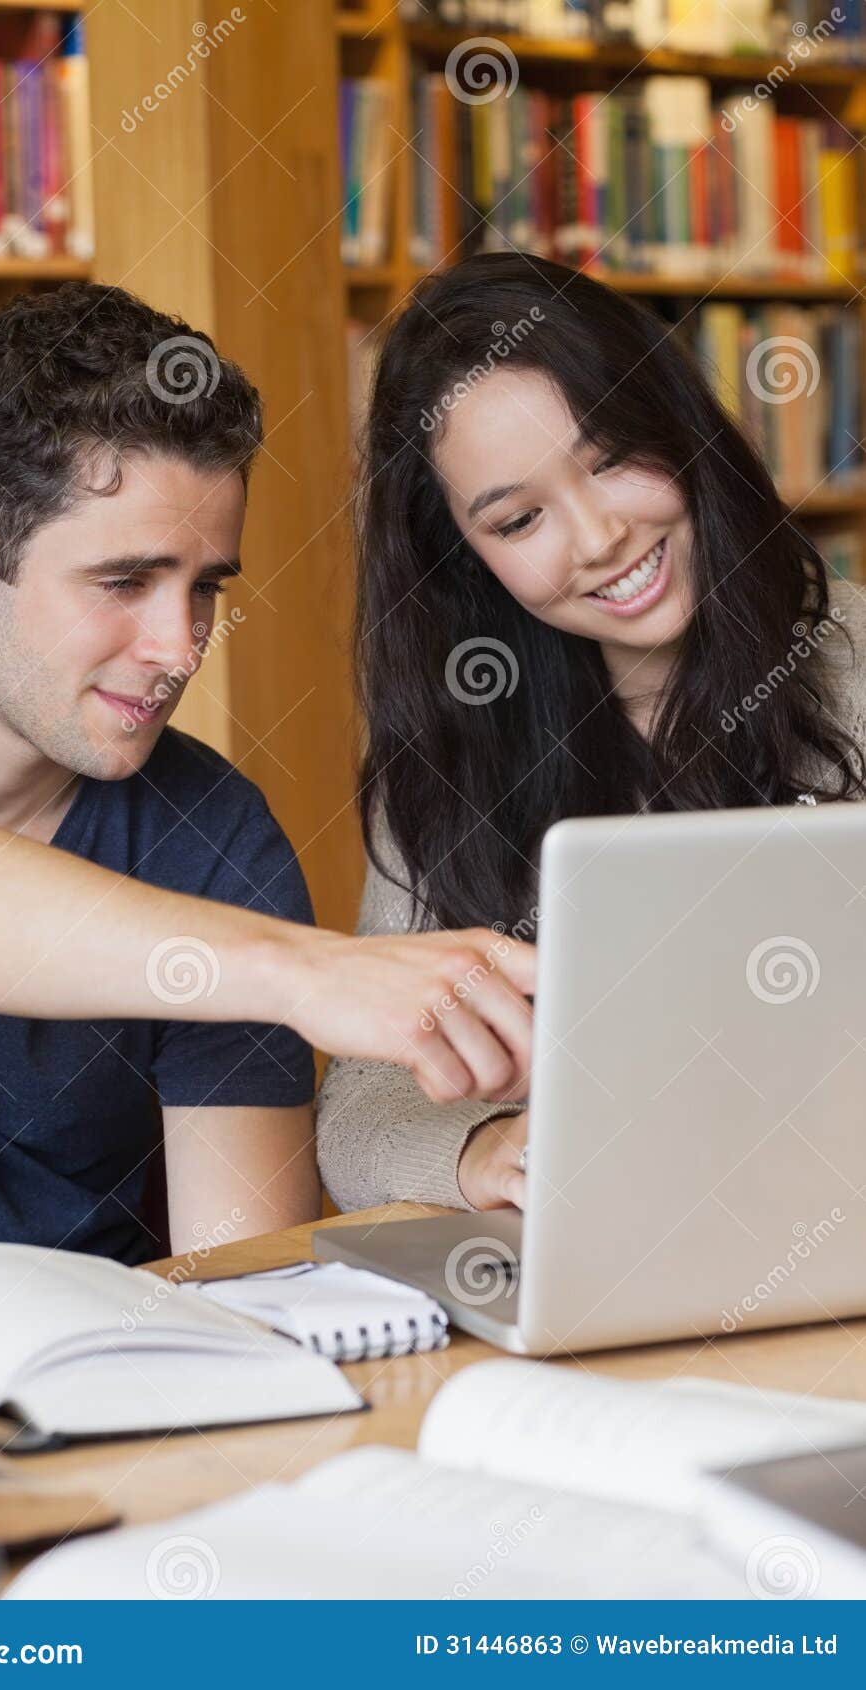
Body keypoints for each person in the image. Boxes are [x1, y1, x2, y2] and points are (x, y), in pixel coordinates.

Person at [0, 281, 534, 1308]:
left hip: (63, 1430)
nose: (178, 645)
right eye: (123, 582)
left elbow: (246, 1296)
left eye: (205, 587)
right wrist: (302, 972)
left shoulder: (216, 839)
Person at [317, 249, 866, 1215]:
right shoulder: (452, 750)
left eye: (611, 459)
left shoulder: (849, 659)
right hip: (622, 1252)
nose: (600, 537)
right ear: (466, 560)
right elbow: (358, 1109)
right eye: (521, 519)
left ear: (679, 430)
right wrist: (484, 1153)